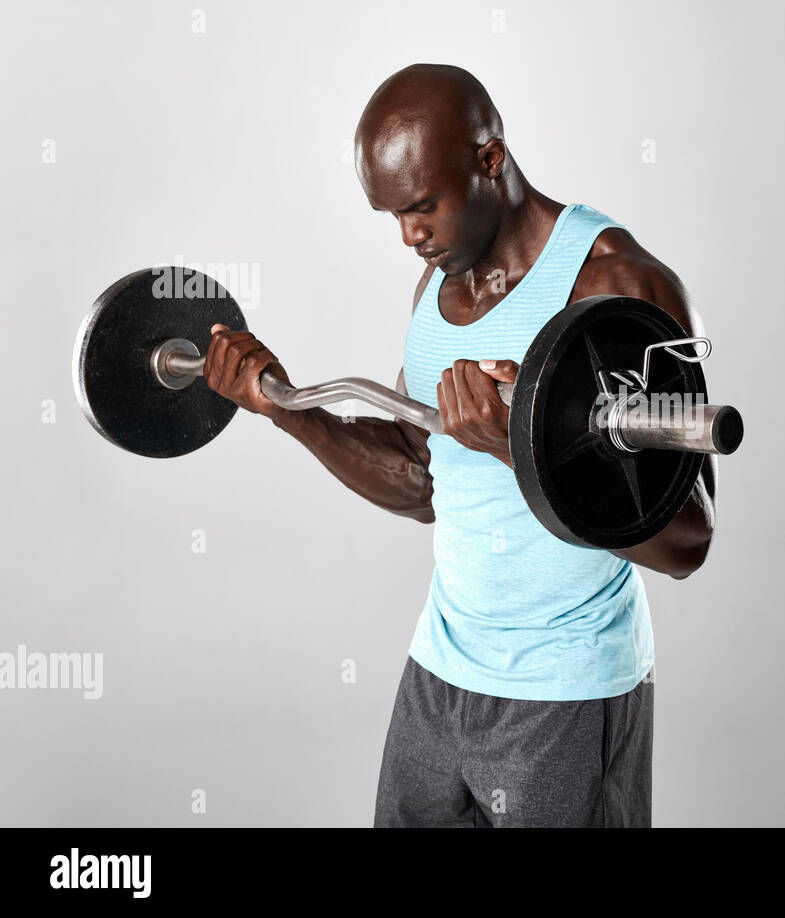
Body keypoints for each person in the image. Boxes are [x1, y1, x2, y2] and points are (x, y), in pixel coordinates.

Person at [201, 63, 718, 827]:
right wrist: (290, 411)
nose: (410, 236)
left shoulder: (619, 286)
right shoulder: (436, 290)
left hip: (566, 691)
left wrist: (525, 449)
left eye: (422, 207)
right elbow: (421, 481)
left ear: (490, 159)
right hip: (439, 676)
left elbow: (688, 540)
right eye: (393, 216)